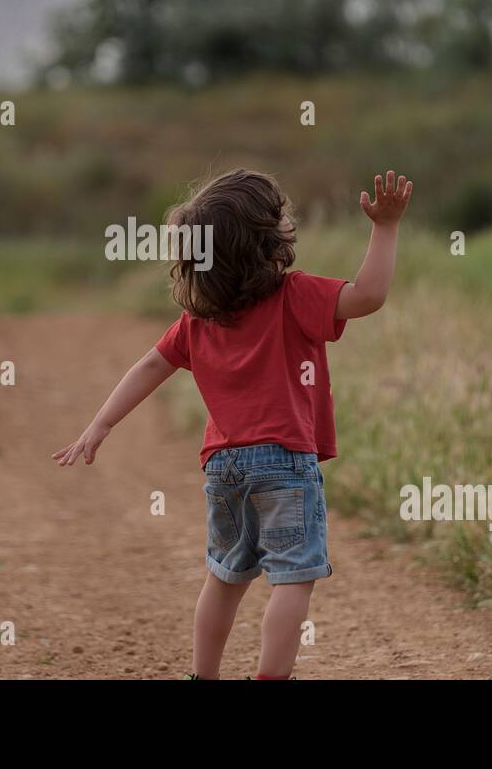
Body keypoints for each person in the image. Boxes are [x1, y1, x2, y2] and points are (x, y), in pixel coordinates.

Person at [53, 167, 412, 678]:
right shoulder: (296, 295)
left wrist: (100, 424)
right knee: (292, 580)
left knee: (223, 579)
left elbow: (151, 365)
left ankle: (204, 676)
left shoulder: (200, 319)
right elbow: (370, 295)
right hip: (285, 462)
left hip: (224, 468)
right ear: (268, 242)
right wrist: (387, 226)